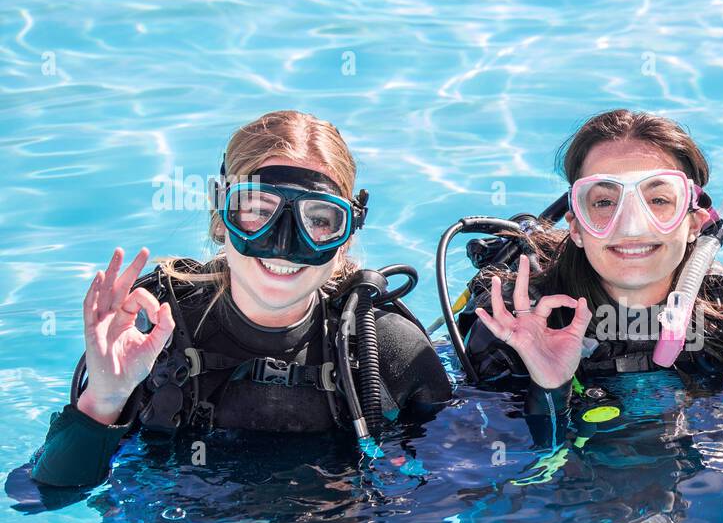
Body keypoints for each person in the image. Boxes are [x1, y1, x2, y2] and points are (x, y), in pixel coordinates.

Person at [30, 109, 450, 488]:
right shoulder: (153, 332)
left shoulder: (389, 353)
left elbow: (457, 490)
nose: (283, 246)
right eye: (257, 210)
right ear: (221, 216)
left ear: (347, 235)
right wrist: (103, 399)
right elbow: (44, 494)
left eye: (319, 220)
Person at [456, 108, 723, 446]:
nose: (631, 225)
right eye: (603, 202)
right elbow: (482, 469)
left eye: (658, 199)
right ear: (576, 227)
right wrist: (549, 390)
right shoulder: (516, 326)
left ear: (694, 223)